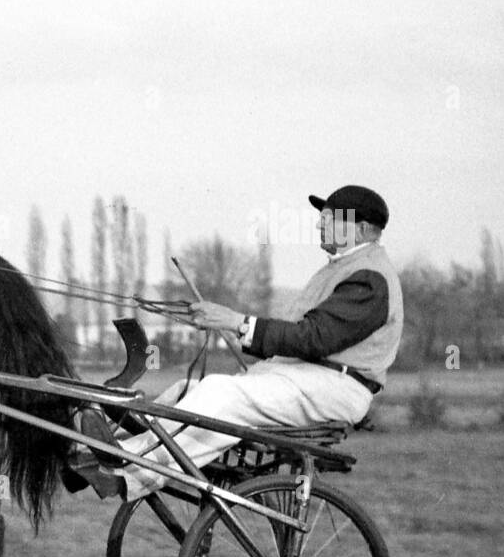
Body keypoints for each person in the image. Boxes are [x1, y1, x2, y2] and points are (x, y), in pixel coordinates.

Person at [74, 185, 403, 500]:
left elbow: (313, 338)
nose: (320, 223)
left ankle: (128, 470)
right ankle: (96, 453)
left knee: (220, 393)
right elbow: (295, 336)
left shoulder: (369, 276)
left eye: (332, 217)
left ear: (360, 229)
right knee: (186, 390)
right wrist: (224, 322)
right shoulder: (344, 268)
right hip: (310, 378)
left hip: (336, 387)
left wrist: (235, 321)